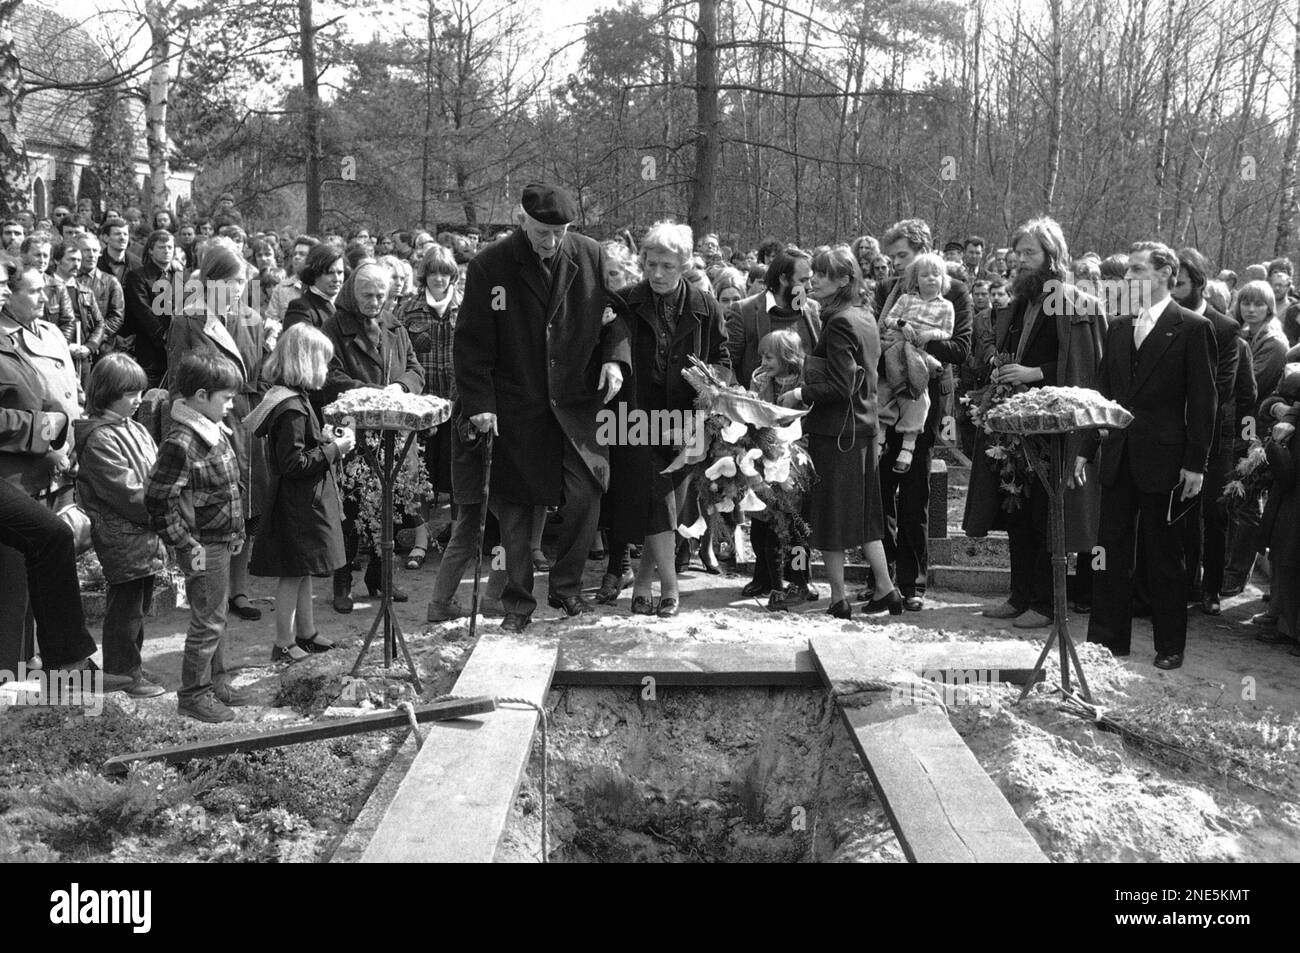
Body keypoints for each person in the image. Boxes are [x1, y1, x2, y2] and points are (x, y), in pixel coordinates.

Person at [454, 183, 630, 633]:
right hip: (518, 405)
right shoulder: (490, 266)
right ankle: (517, 603)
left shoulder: (589, 254)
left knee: (588, 491)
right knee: (515, 509)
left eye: (559, 232)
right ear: (522, 220)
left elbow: (615, 315)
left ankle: (566, 586)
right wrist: (480, 403)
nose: (550, 242)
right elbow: (471, 344)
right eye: (540, 232)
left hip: (576, 402)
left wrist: (614, 358)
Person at [1080, 241, 1217, 670]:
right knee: (1110, 553)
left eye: (1138, 270)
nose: (1128, 279)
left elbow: (1204, 402)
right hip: (1119, 457)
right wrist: (1085, 451)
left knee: (1164, 557)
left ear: (1166, 275)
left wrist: (1196, 463)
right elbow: (1101, 395)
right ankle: (1106, 641)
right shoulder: (1119, 327)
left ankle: (1169, 646)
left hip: (1167, 462)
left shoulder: (1193, 328)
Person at [964, 216, 1106, 630]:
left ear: (1052, 256)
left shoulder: (1075, 304)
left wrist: (1032, 374)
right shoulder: (1019, 304)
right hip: (1016, 431)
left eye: (1030, 253)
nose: (1021, 260)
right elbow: (1007, 354)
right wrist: (1000, 373)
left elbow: (1082, 371)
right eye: (1018, 253)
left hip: (1055, 434)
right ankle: (1019, 595)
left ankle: (1046, 604)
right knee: (1017, 513)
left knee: (1049, 516)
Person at [604, 220, 729, 617]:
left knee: (667, 504)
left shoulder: (704, 305)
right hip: (636, 417)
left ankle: (642, 583)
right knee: (657, 497)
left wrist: (712, 388)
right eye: (651, 264)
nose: (657, 273)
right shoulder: (627, 300)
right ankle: (671, 589)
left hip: (686, 417)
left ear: (685, 264)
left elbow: (722, 357)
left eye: (667, 266)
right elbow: (610, 342)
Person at [781, 244, 901, 619]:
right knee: (867, 519)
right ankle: (886, 589)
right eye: (813, 273)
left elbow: (842, 385)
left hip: (838, 436)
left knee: (831, 518)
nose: (813, 279)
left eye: (821, 274)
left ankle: (838, 599)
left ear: (845, 280)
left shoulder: (840, 322)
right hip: (863, 432)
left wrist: (797, 393)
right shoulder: (863, 315)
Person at [166, 242, 271, 623]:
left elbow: (258, 374)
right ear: (210, 281)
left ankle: (239, 590)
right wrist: (200, 424)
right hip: (207, 426)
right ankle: (211, 590)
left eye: (243, 282)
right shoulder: (187, 320)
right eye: (232, 282)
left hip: (246, 420)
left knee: (247, 508)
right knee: (212, 512)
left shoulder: (250, 318)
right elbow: (179, 383)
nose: (240, 289)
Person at [872, 218, 972, 611]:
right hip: (885, 395)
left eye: (903, 255)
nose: (896, 263)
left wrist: (919, 339)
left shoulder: (954, 292)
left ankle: (913, 582)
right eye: (892, 256)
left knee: (914, 493)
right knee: (880, 491)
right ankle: (884, 577)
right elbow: (878, 333)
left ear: (924, 253)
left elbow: (961, 349)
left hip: (925, 396)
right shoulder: (887, 289)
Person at [145, 352, 250, 722]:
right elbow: (158, 497)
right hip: (202, 545)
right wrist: (184, 542)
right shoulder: (182, 441)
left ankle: (216, 682)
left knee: (217, 615)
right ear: (201, 395)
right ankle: (193, 694)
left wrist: (236, 531)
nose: (231, 405)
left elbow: (226, 489)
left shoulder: (211, 428)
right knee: (207, 619)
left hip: (220, 539)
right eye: (227, 398)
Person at [246, 323, 353, 662]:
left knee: (303, 570)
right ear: (306, 362)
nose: (326, 370)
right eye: (323, 362)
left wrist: (323, 439)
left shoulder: (292, 398)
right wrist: (334, 449)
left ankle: (306, 633)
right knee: (292, 574)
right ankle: (282, 643)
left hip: (300, 501)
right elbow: (293, 463)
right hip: (296, 504)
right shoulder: (290, 407)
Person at [322, 262, 425, 612]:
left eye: (382, 295)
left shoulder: (395, 325)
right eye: (368, 295)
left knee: (391, 506)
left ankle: (381, 579)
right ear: (353, 293)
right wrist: (373, 394)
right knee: (349, 510)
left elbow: (415, 369)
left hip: (394, 430)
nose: (375, 301)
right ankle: (343, 581)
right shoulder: (334, 327)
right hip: (352, 430)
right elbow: (329, 376)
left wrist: (400, 386)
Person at [73, 353, 168, 697]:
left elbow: (156, 472)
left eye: (139, 392)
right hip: (123, 536)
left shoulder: (135, 428)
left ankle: (132, 667)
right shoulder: (100, 438)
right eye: (130, 394)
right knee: (125, 611)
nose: (138, 400)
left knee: (138, 607)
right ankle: (122, 673)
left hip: (144, 534)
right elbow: (125, 493)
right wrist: (164, 509)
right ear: (107, 393)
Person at [1172, 247, 1240, 614]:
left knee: (1213, 513)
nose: (1173, 288)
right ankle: (1186, 587)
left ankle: (1212, 588)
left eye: (1180, 283)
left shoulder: (1225, 328)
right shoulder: (1168, 319)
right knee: (1182, 512)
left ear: (1199, 283)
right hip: (1174, 433)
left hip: (1215, 435)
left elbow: (1222, 386)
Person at [401, 243, 460, 570]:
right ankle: (421, 541)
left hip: (457, 405)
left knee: (455, 478)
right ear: (425, 275)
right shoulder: (408, 309)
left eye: (445, 272)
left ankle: (455, 539)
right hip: (420, 408)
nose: (439, 278)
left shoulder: (465, 306)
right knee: (419, 479)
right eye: (433, 272)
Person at [874, 252, 955, 473]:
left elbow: (947, 332)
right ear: (915, 279)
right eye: (925, 275)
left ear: (943, 279)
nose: (931, 279)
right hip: (895, 350)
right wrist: (902, 325)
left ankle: (908, 447)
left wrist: (930, 335)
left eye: (936, 275)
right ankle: (879, 438)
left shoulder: (946, 306)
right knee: (884, 390)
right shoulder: (906, 299)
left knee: (917, 396)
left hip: (920, 353)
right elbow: (889, 319)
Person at [745, 328, 806, 611]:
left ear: (786, 356)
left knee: (793, 528)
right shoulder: (761, 379)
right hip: (765, 456)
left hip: (792, 461)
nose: (764, 361)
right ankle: (765, 576)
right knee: (760, 522)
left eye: (769, 356)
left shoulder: (802, 383)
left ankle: (798, 581)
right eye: (762, 356)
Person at [726, 245, 821, 388]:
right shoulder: (745, 311)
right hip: (758, 405)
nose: (809, 286)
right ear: (783, 279)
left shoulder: (813, 309)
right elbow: (727, 363)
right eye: (802, 281)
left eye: (809, 280)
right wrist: (736, 391)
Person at [121, 228, 182, 388]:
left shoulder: (180, 276)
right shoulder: (138, 276)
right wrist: (163, 336)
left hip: (179, 347)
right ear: (151, 250)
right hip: (151, 350)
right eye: (161, 247)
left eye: (170, 247)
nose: (167, 251)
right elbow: (143, 311)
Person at [283, 244, 344, 331]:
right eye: (329, 273)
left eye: (340, 272)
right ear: (314, 274)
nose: (337, 279)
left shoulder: (346, 304)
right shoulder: (301, 308)